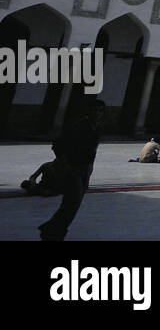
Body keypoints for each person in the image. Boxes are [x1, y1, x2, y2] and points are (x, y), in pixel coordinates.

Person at [39, 98, 105, 241]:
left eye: (100, 111)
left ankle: (52, 228)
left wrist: (89, 170)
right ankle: (53, 231)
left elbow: (92, 151)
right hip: (73, 169)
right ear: (89, 111)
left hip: (84, 169)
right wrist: (66, 165)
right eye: (94, 110)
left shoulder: (96, 128)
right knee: (72, 202)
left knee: (74, 204)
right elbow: (57, 144)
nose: (97, 113)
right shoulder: (79, 126)